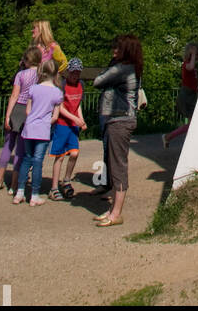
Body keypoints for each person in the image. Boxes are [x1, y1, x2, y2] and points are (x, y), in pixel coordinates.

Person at [92, 34, 142, 227]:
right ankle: (113, 209)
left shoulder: (123, 69)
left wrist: (113, 63)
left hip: (120, 119)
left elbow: (98, 81)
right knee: (114, 165)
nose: (113, 50)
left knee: (118, 166)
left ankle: (116, 213)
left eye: (117, 48)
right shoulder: (131, 68)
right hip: (120, 119)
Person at [14, 59, 63, 205]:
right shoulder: (57, 93)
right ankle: (34, 194)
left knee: (26, 159)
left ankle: (20, 192)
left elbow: (28, 110)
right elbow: (55, 116)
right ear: (55, 74)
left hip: (29, 128)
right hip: (43, 130)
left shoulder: (34, 89)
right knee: (37, 161)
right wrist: (45, 122)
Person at [0, 45, 42, 192]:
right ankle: (14, 185)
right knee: (21, 150)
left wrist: (8, 115)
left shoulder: (20, 75)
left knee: (8, 146)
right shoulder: (40, 76)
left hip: (17, 108)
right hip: (29, 110)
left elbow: (14, 95)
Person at [49, 58, 86, 200]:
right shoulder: (62, 86)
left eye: (77, 73)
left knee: (75, 153)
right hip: (62, 124)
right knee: (60, 156)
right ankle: (54, 187)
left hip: (73, 126)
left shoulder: (80, 85)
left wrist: (80, 120)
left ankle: (66, 179)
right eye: (73, 72)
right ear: (68, 72)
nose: (75, 75)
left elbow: (78, 105)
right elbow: (61, 107)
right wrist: (75, 118)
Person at [163, 43, 198, 148]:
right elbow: (191, 67)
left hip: (191, 95)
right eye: (194, 53)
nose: (196, 55)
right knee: (193, 124)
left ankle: (169, 137)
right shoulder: (186, 64)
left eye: (197, 53)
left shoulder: (193, 68)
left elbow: (194, 83)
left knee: (192, 124)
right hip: (186, 97)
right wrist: (192, 55)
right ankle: (168, 137)